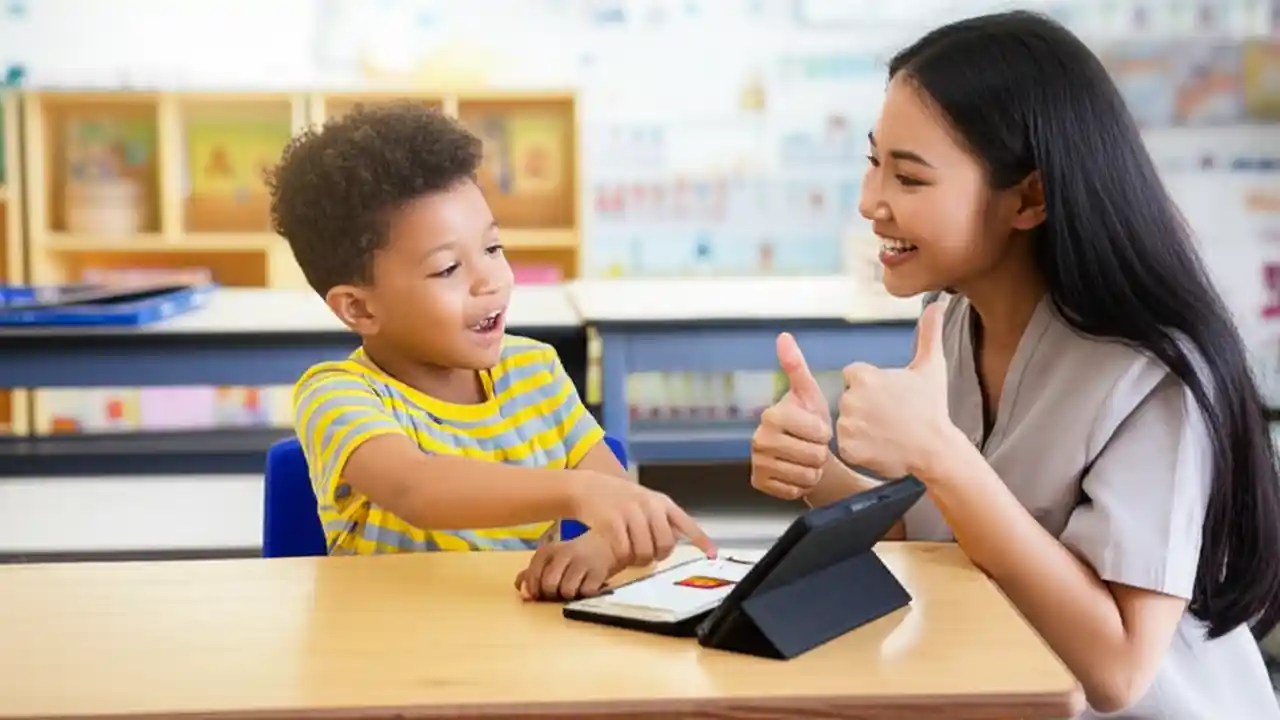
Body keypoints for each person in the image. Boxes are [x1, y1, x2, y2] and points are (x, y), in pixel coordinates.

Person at [749, 11, 1280, 719]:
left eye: (908, 178)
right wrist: (824, 477)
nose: (870, 201)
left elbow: (1119, 671)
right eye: (874, 162)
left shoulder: (1155, 375)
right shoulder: (957, 326)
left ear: (1028, 197)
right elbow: (951, 541)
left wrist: (938, 454)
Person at [267, 103, 714, 600]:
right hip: (385, 660)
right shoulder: (336, 396)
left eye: (493, 248)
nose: (491, 280)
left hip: (518, 652)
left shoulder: (535, 371)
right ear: (358, 308)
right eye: (446, 269)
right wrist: (576, 492)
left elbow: (618, 503)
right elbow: (418, 487)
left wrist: (597, 549)